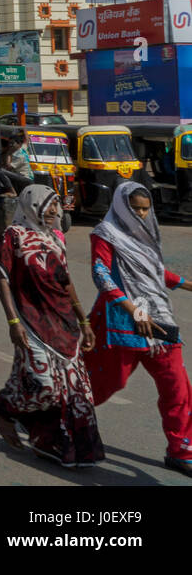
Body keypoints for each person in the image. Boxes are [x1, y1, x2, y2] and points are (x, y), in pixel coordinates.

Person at [83, 182, 192, 476]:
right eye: (136, 208)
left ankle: (181, 450)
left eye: (145, 208)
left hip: (159, 319)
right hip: (121, 320)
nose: (141, 214)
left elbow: (155, 272)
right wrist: (135, 311)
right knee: (107, 384)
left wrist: (187, 284)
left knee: (177, 386)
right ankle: (55, 418)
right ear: (121, 206)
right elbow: (101, 275)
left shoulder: (146, 234)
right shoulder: (105, 234)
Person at [0, 185, 103, 467]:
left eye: (56, 206)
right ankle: (5, 411)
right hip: (30, 320)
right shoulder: (12, 236)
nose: (54, 212)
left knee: (76, 393)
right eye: (48, 206)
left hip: (64, 322)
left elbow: (66, 281)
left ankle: (50, 443)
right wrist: (13, 321)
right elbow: (2, 277)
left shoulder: (57, 238)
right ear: (31, 205)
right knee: (46, 385)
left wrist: (84, 320)